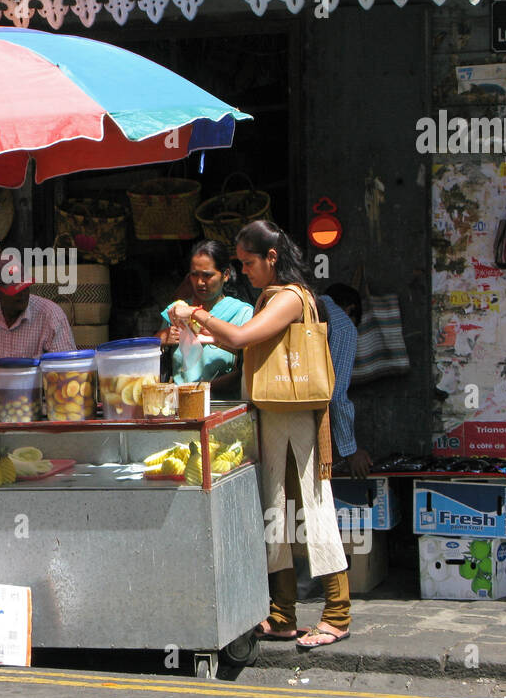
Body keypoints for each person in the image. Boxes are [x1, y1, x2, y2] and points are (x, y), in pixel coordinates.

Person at [168, 219, 350, 650]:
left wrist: (196, 313)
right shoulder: (274, 296)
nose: (244, 271)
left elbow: (246, 335)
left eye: (248, 262)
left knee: (314, 506)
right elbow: (245, 343)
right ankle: (283, 613)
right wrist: (208, 331)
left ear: (272, 257)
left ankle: (337, 613)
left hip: (296, 416)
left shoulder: (289, 297)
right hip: (273, 413)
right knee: (275, 510)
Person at [156, 239, 254, 396]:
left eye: (207, 275)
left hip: (224, 405)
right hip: (178, 404)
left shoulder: (241, 314)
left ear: (226, 275)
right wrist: (159, 340)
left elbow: (247, 369)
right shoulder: (176, 312)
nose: (200, 282)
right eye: (194, 275)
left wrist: (203, 390)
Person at [322, 283, 372, 479]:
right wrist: (350, 451)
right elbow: (335, 393)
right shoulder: (343, 325)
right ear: (350, 309)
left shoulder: (309, 307)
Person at [0, 279, 75, 359]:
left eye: (25, 287)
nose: (23, 294)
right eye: (15, 290)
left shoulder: (50, 314)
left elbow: (65, 368)